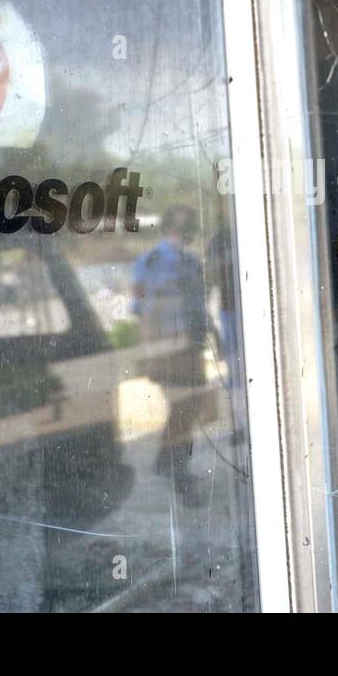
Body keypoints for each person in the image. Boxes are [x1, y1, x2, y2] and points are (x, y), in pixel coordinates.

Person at [132, 205, 208, 507]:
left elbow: (199, 305)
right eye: (179, 228)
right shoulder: (150, 261)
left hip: (191, 345)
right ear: (167, 229)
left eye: (188, 228)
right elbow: (140, 309)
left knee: (192, 406)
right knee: (181, 407)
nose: (184, 234)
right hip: (167, 347)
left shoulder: (191, 261)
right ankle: (178, 473)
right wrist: (152, 352)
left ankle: (166, 462)